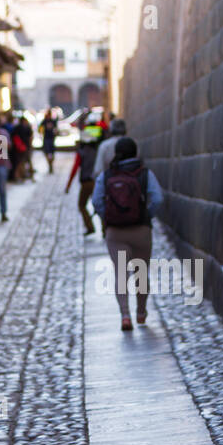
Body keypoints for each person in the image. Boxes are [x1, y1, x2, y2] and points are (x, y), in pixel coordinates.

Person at [92, 137, 164, 331]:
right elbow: (157, 198)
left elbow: (96, 200)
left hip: (115, 232)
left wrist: (108, 218)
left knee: (121, 274)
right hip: (141, 230)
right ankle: (141, 312)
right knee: (141, 272)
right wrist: (145, 216)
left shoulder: (107, 175)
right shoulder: (145, 174)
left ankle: (125, 315)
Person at [65, 121, 103, 235]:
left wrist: (68, 185)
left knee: (82, 205)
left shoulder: (81, 152)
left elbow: (75, 168)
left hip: (86, 181)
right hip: (97, 181)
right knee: (100, 205)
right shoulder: (98, 151)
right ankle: (104, 228)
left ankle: (90, 227)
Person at [13, 115, 35, 182]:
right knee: (28, 162)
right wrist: (30, 146)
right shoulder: (27, 127)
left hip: (19, 147)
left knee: (20, 162)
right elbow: (31, 137)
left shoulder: (17, 127)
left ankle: (19, 177)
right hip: (26, 147)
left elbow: (14, 137)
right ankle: (30, 177)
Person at [39, 109, 58, 174]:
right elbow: (40, 129)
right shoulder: (44, 121)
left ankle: (51, 164)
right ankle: (49, 164)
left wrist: (55, 133)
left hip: (51, 138)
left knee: (51, 153)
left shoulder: (53, 121)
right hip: (46, 138)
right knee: (47, 152)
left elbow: (56, 129)